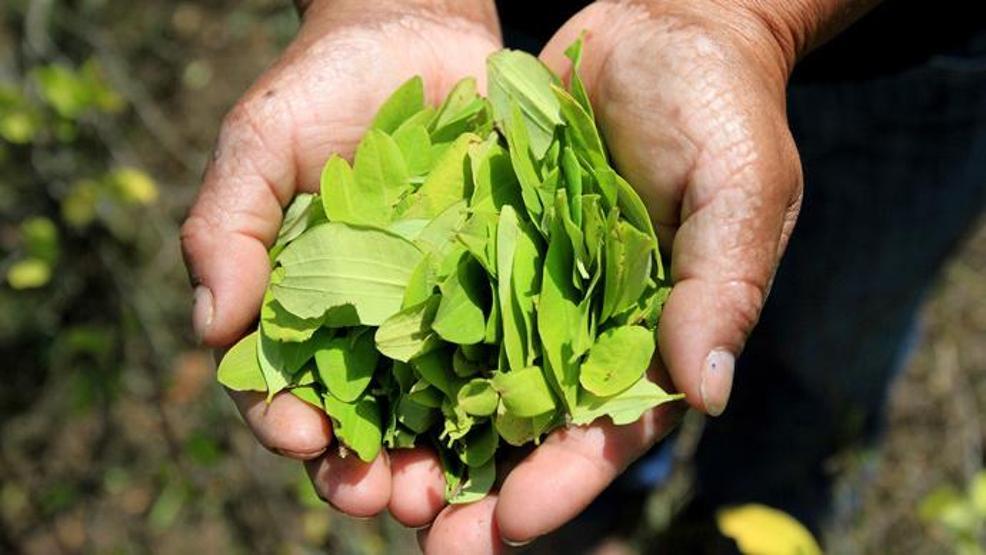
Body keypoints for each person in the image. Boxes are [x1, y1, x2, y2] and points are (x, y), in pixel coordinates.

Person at [180, 0, 986, 552]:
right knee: (603, 434)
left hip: (904, 56)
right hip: (544, 33)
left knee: (821, 361)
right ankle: (599, 523)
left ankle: (763, 509)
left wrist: (749, 16)